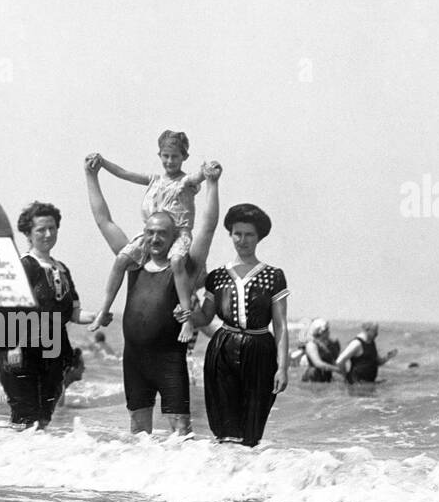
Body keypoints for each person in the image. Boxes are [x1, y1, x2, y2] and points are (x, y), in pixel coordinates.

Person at [86, 154, 222, 435]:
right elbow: (103, 221)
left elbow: (207, 228)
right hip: (134, 361)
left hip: (169, 362)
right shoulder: (134, 262)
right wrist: (92, 177)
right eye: (150, 233)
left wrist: (212, 184)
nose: (155, 239)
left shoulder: (185, 267)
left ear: (174, 237)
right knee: (137, 430)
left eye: (162, 233)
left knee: (181, 430)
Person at [86, 132, 209, 344]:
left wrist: (207, 172)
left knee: (177, 261)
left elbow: (199, 180)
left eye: (175, 156)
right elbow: (124, 174)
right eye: (165, 156)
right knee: (121, 259)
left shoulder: (185, 182)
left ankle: (186, 319)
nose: (169, 161)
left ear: (184, 157)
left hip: (179, 234)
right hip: (150, 233)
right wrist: (102, 163)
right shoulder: (154, 180)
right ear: (159, 155)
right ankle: (104, 310)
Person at [192, 204, 290, 446]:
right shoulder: (217, 276)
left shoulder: (274, 276)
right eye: (238, 233)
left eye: (249, 235)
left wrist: (283, 367)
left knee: (251, 430)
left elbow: (281, 326)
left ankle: (247, 479)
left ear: (259, 237)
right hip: (222, 350)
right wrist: (184, 311)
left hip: (260, 351)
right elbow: (204, 318)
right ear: (230, 234)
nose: (242, 240)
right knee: (224, 429)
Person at [0, 201, 91, 429]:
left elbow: (75, 313)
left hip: (54, 352)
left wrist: (100, 317)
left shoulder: (62, 269)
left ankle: (38, 463)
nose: (48, 234)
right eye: (41, 229)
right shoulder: (24, 266)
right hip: (23, 351)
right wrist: (13, 346)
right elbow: (8, 308)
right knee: (24, 418)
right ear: (28, 233)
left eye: (52, 228)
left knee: (44, 418)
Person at [301, 318, 341, 383]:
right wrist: (337, 370)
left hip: (326, 375)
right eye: (326, 330)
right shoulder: (311, 345)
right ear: (320, 332)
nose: (329, 332)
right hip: (313, 376)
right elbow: (318, 363)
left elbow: (334, 359)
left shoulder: (328, 343)